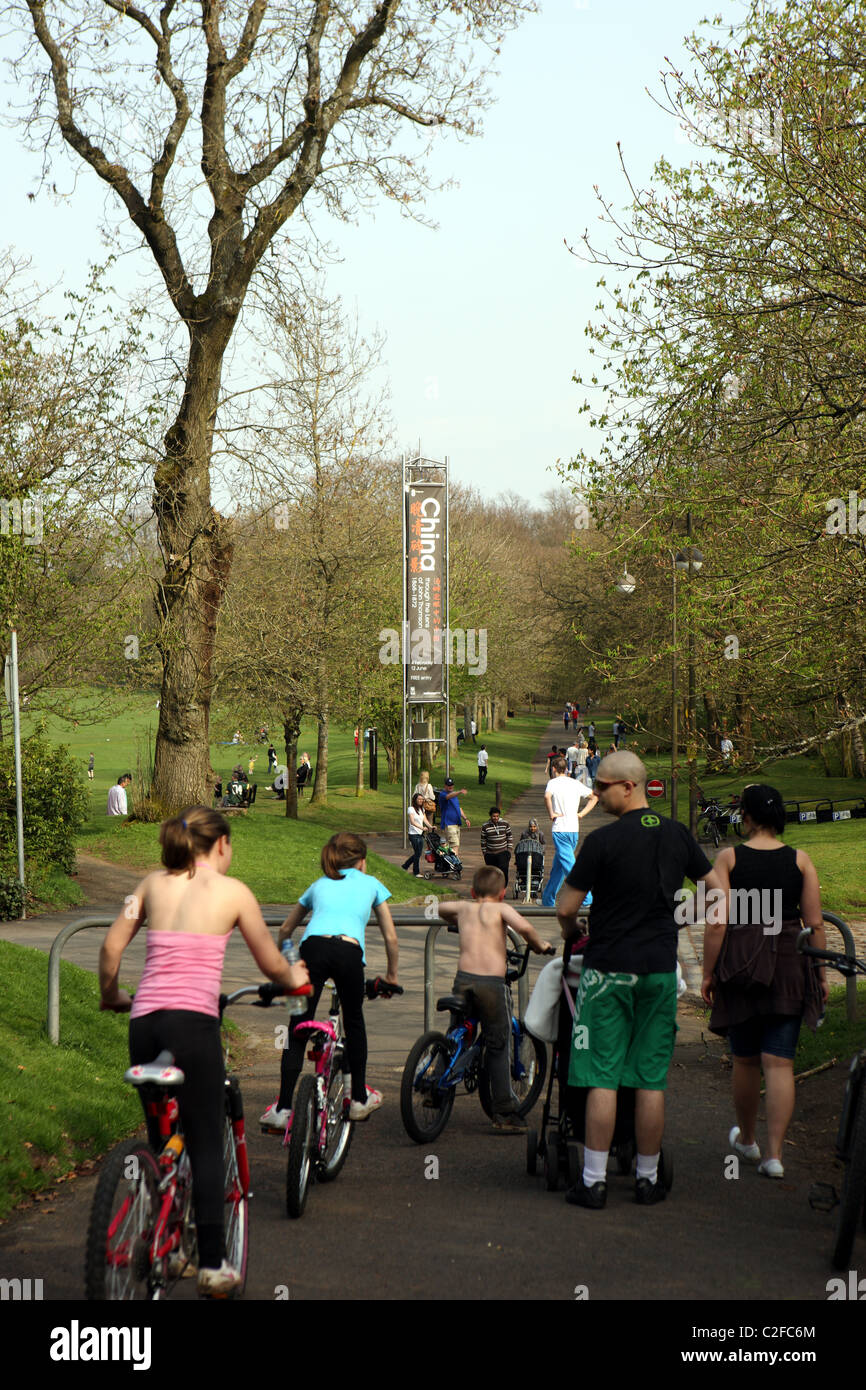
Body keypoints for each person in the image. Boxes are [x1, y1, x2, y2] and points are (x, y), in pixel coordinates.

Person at [98, 806, 310, 1297]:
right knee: (205, 1141)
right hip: (193, 1026)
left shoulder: (149, 885)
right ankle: (212, 1264)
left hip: (145, 1024)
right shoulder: (233, 892)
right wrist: (294, 978)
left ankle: (166, 1239)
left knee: (162, 1141)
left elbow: (110, 948)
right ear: (221, 844)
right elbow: (270, 962)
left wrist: (112, 995)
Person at [556, 751, 721, 1209]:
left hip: (609, 971)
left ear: (628, 786)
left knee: (602, 1075)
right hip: (659, 970)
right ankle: (647, 1180)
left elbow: (566, 907)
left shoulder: (602, 842)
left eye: (601, 786)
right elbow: (717, 892)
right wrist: (678, 918)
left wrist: (572, 932)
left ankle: (593, 1182)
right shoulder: (677, 834)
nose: (595, 793)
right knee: (650, 1079)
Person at [702, 784, 828, 1178]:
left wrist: (708, 972)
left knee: (745, 1059)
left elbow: (718, 922)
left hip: (741, 961)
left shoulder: (729, 858)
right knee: (779, 1062)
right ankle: (775, 1156)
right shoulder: (800, 860)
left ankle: (748, 1139)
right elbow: (815, 923)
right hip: (789, 962)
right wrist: (820, 974)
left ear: (747, 816)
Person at [261, 832, 399, 1129]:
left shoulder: (319, 884)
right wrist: (391, 976)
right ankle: (358, 1098)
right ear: (362, 861)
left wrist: (286, 966)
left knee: (298, 1025)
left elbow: (285, 930)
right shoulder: (372, 883)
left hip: (312, 949)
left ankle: (283, 1109)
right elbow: (391, 937)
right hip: (349, 952)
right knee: (354, 1021)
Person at [437, 866, 553, 1132]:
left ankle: (436, 1083)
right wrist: (540, 945)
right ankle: (504, 1111)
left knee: (456, 1035)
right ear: (502, 893)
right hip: (491, 985)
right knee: (498, 1044)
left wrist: (458, 920)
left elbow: (442, 909)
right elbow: (525, 928)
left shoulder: (465, 908)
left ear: (472, 891)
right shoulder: (501, 909)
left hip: (463, 981)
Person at [541, 756, 597, 907]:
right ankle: (547, 900)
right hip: (573, 830)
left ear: (553, 769)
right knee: (559, 868)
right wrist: (581, 814)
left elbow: (547, 796)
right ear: (566, 769)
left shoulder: (552, 783)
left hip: (560, 829)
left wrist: (551, 813)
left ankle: (587, 899)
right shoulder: (575, 783)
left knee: (569, 866)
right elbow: (594, 798)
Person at [480, 806, 514, 886]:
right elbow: (483, 841)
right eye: (494, 816)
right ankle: (493, 888)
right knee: (492, 873)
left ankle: (503, 888)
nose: (495, 818)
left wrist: (509, 850)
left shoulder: (505, 823)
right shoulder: (485, 826)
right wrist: (485, 853)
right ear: (490, 816)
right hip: (490, 854)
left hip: (503, 852)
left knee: (503, 870)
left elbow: (509, 836)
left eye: (497, 816)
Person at [402, 793, 433, 875]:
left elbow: (425, 820)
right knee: (417, 854)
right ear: (415, 800)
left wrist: (430, 826)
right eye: (419, 799)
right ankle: (416, 872)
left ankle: (405, 866)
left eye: (422, 799)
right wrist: (422, 828)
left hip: (420, 834)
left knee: (418, 853)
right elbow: (412, 822)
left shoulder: (422, 809)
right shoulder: (411, 809)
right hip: (413, 834)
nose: (421, 800)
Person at [438, 777, 471, 850]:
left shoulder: (454, 796)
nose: (450, 786)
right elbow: (448, 796)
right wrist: (460, 792)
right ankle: (455, 858)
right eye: (448, 785)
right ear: (445, 786)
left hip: (456, 824)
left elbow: (458, 808)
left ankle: (452, 857)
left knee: (453, 846)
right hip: (449, 824)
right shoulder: (443, 794)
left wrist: (465, 819)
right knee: (455, 845)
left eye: (451, 785)